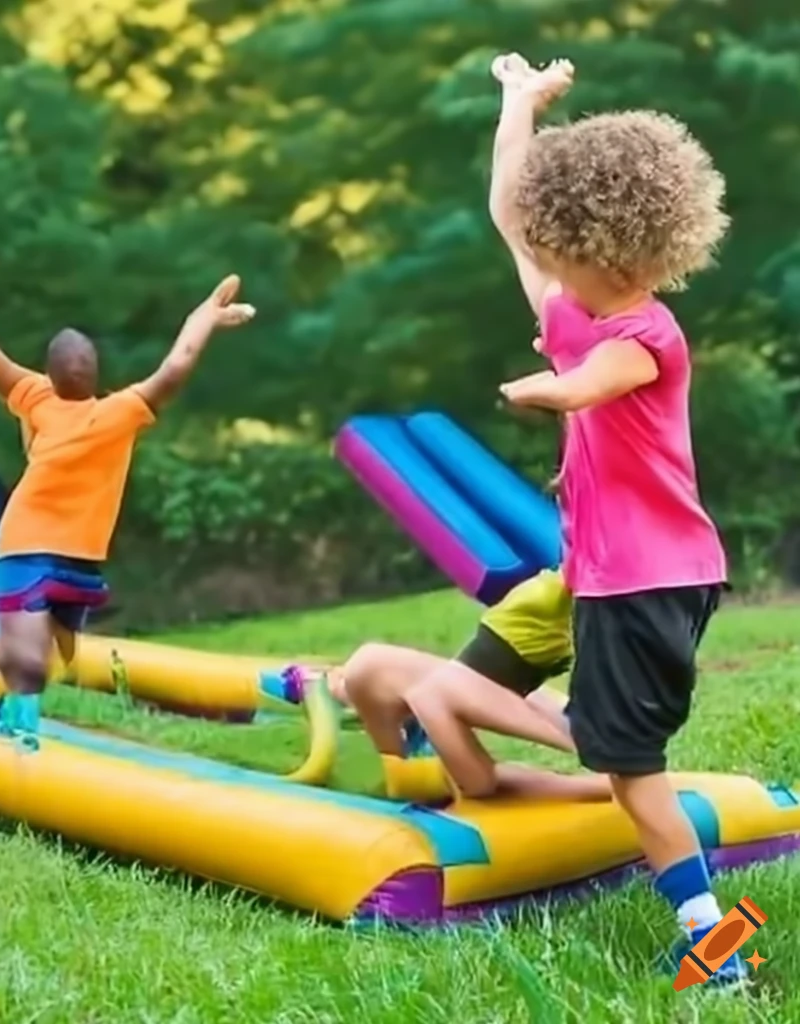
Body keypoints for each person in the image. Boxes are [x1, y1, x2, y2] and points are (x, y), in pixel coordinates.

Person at [490, 55, 737, 983]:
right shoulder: (574, 307)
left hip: (652, 578)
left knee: (633, 769)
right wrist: (519, 105)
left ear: (619, 257)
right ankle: (705, 927)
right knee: (614, 751)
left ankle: (715, 948)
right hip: (614, 575)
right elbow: (506, 213)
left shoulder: (645, 334)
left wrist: (539, 390)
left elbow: (591, 386)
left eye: (559, 252)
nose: (544, 260)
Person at [0, 246, 256, 748]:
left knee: (55, 654)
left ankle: (3, 689)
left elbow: (177, 365)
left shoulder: (113, 411)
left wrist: (202, 318)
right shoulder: (49, 396)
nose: (78, 367)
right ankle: (20, 733)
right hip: (25, 546)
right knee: (27, 663)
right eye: (74, 362)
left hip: (77, 559)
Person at [338, 567, 611, 805]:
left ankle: (606, 777)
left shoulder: (420, 691)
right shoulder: (426, 694)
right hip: (423, 690)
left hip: (417, 688)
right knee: (477, 781)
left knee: (476, 779)